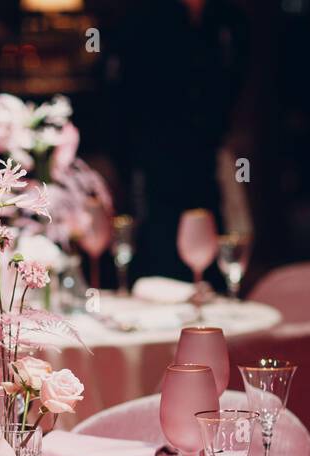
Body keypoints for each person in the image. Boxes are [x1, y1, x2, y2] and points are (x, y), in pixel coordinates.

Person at [114, 0, 249, 282]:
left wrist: (222, 127)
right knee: (162, 227)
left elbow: (235, 76)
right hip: (158, 147)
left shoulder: (224, 18)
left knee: (210, 218)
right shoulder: (148, 17)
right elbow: (127, 86)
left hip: (205, 146)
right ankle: (165, 297)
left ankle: (210, 296)